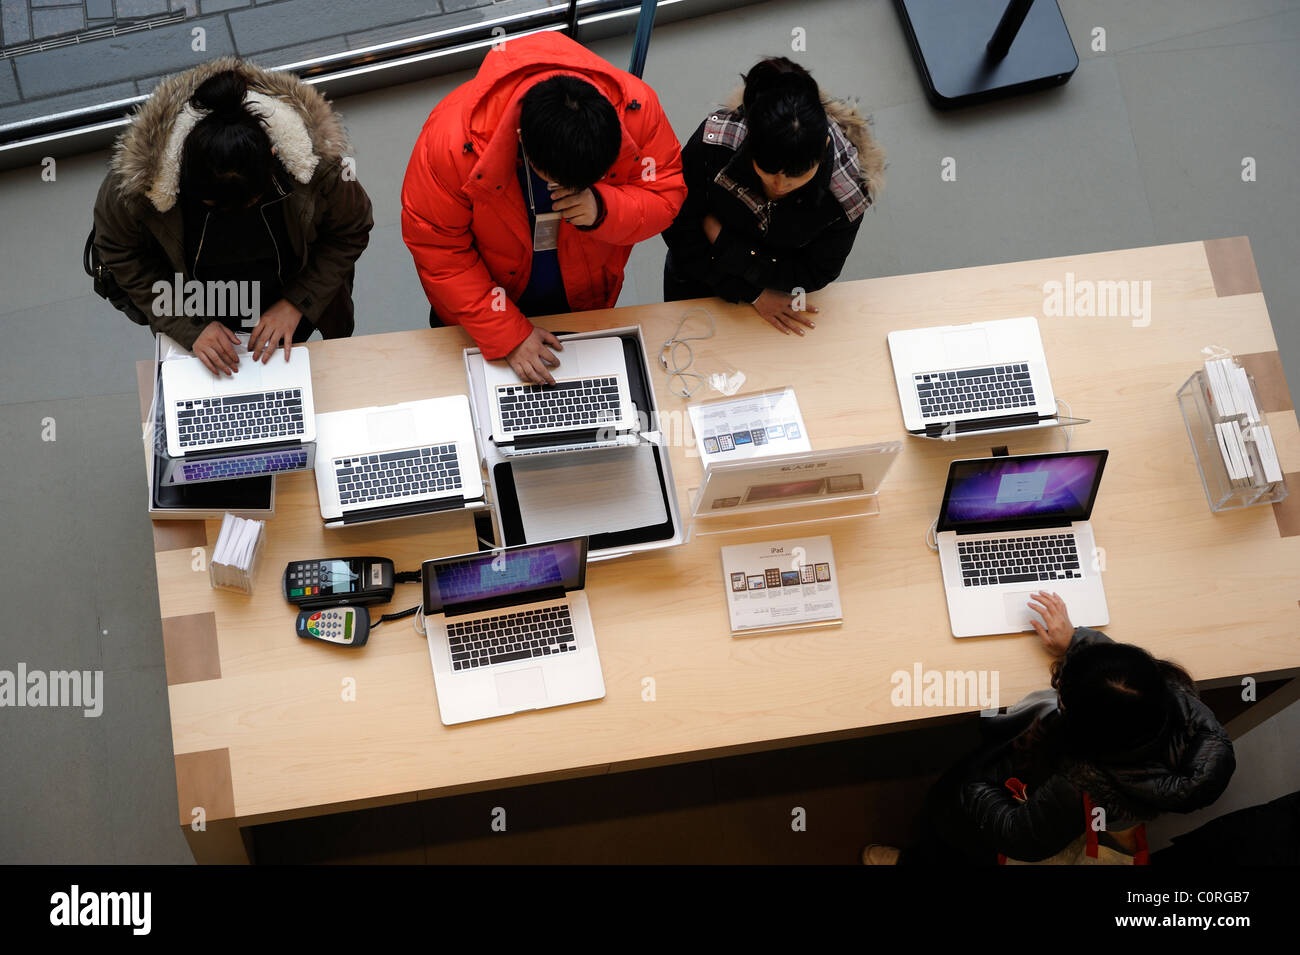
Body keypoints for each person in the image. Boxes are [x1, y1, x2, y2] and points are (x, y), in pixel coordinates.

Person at [863, 592, 1236, 865]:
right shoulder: (1179, 706)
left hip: (1002, 804)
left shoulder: (1073, 787)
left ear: (1081, 728)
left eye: (1063, 696)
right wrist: (1077, 641)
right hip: (1102, 788)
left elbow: (1018, 838)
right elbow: (1123, 682)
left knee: (953, 830)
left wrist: (974, 786)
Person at [401, 32, 686, 385]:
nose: (570, 189)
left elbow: (665, 195)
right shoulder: (449, 142)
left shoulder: (636, 109)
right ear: (522, 140)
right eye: (557, 179)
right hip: (485, 315)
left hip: (586, 305)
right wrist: (507, 333)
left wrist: (603, 208)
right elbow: (439, 250)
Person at [94, 59, 374, 376]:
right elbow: (118, 250)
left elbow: (350, 230)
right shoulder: (135, 185)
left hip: (289, 305)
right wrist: (189, 327)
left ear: (272, 156)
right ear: (182, 170)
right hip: (196, 307)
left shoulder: (319, 166)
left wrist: (297, 304)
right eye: (211, 204)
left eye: (251, 201)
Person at [662, 57, 885, 337]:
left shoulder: (847, 191)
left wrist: (721, 240)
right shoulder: (715, 144)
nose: (780, 185)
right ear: (750, 142)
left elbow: (816, 272)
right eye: (767, 170)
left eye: (798, 174)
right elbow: (678, 225)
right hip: (697, 273)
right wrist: (752, 291)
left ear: (824, 146)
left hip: (775, 297)